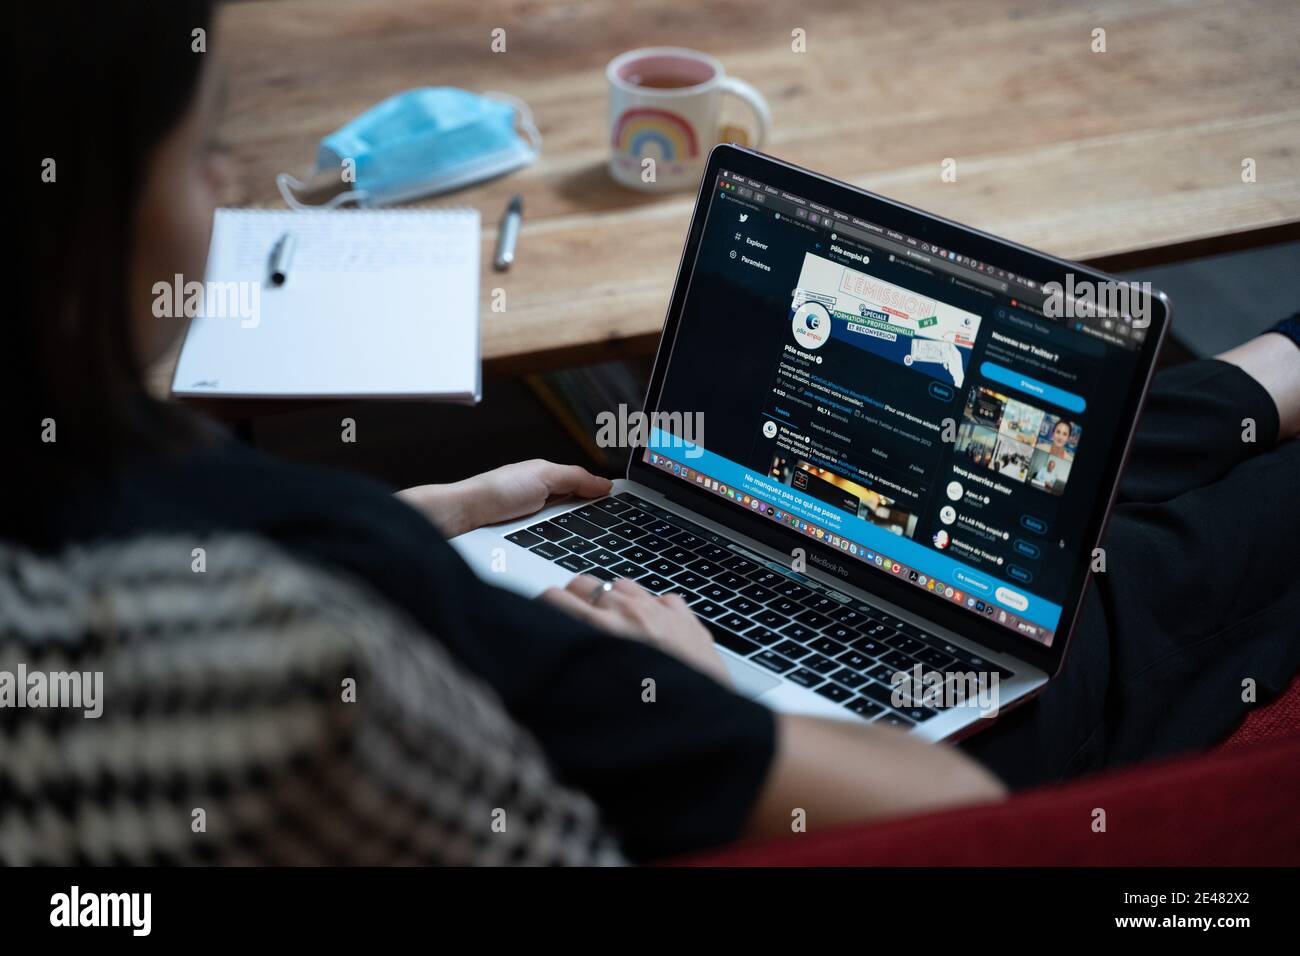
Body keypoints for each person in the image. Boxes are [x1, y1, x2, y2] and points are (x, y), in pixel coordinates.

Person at [11, 2, 1299, 861]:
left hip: (505, 584)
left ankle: (1271, 369)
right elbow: (952, 822)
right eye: (202, 154)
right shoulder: (299, 633)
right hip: (776, 746)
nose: (229, 186)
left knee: (1049, 463)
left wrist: (434, 513)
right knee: (1111, 568)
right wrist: (718, 688)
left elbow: (268, 547)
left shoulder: (99, 532)